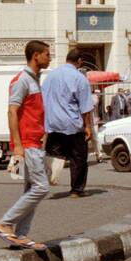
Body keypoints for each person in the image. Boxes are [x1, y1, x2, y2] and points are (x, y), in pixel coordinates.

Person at [0, 40, 52, 249]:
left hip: (35, 143)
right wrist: (17, 145)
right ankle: (5, 223)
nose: (49, 58)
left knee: (30, 189)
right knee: (41, 187)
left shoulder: (35, 80)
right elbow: (12, 112)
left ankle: (21, 235)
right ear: (36, 56)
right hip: (26, 145)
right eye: (46, 54)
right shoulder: (22, 81)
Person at [40, 45, 94, 197]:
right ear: (79, 61)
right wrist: (87, 127)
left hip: (52, 124)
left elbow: (42, 100)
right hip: (72, 125)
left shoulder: (50, 76)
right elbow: (85, 106)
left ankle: (47, 181)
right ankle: (76, 190)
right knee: (79, 157)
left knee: (53, 154)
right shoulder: (79, 78)